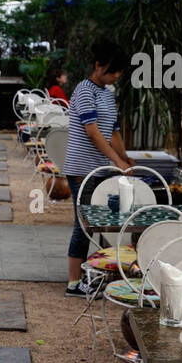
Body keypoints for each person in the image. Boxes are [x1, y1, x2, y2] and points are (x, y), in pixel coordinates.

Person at [62, 40, 134, 297]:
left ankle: (88, 274)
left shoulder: (107, 93)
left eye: (118, 72)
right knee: (82, 224)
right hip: (82, 168)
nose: (116, 76)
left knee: (96, 223)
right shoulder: (85, 90)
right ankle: (73, 282)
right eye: (112, 71)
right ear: (98, 66)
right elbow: (92, 132)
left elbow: (112, 130)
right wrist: (117, 161)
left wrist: (125, 157)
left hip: (101, 169)